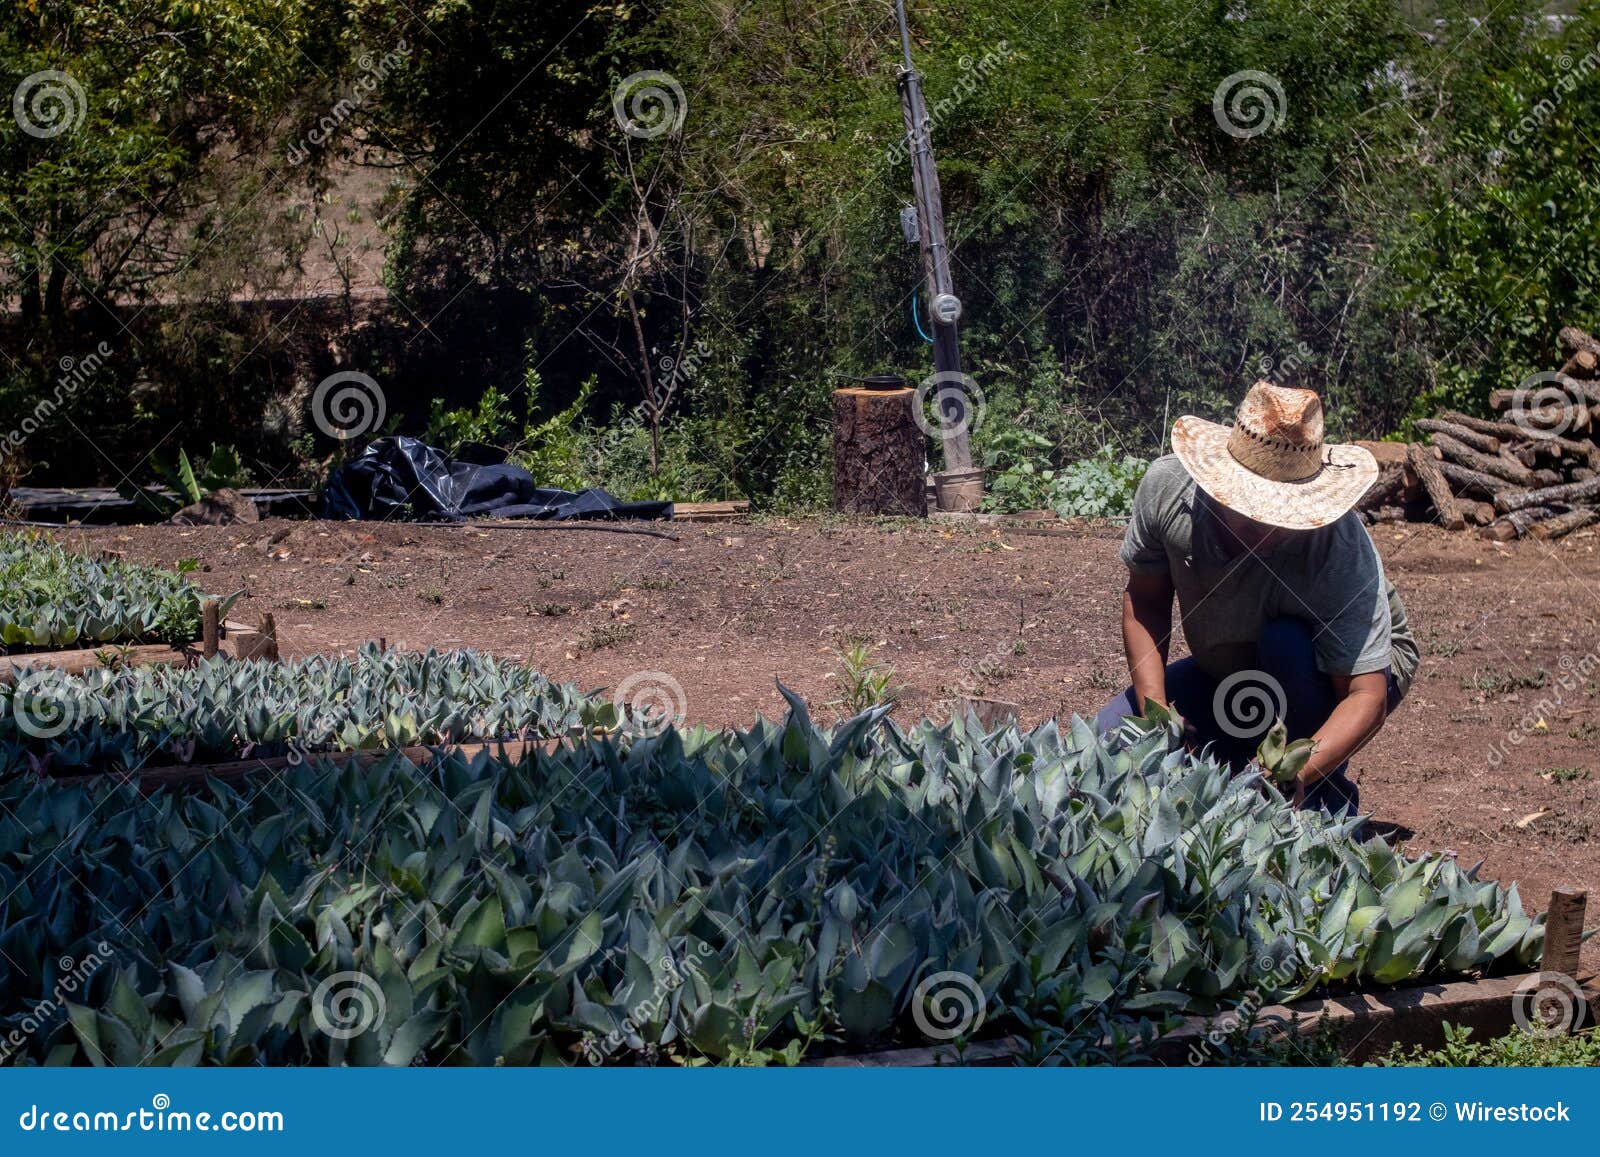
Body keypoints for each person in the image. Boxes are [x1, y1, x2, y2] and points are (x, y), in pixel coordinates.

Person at [1093, 381, 1419, 814]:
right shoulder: (1168, 490)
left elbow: (1364, 696)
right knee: (1112, 737)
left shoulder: (1335, 546)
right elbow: (1146, 601)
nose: (1261, 525)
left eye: (1279, 511)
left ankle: (1320, 794)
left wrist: (1295, 771)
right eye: (1250, 506)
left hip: (1348, 667)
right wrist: (1156, 714)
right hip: (1233, 662)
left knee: (1287, 646)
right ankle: (1241, 752)